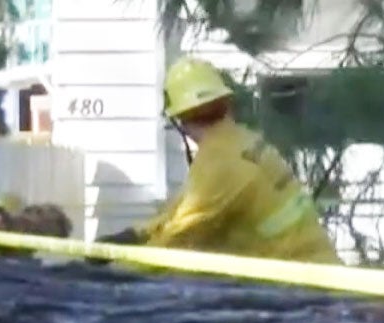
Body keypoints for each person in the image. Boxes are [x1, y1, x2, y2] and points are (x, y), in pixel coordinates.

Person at [99, 57, 341, 265]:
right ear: (225, 104)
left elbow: (177, 241)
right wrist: (135, 235)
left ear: (181, 119)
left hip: (297, 287)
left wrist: (119, 270)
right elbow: (182, 210)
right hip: (322, 272)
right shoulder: (244, 140)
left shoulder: (217, 164)